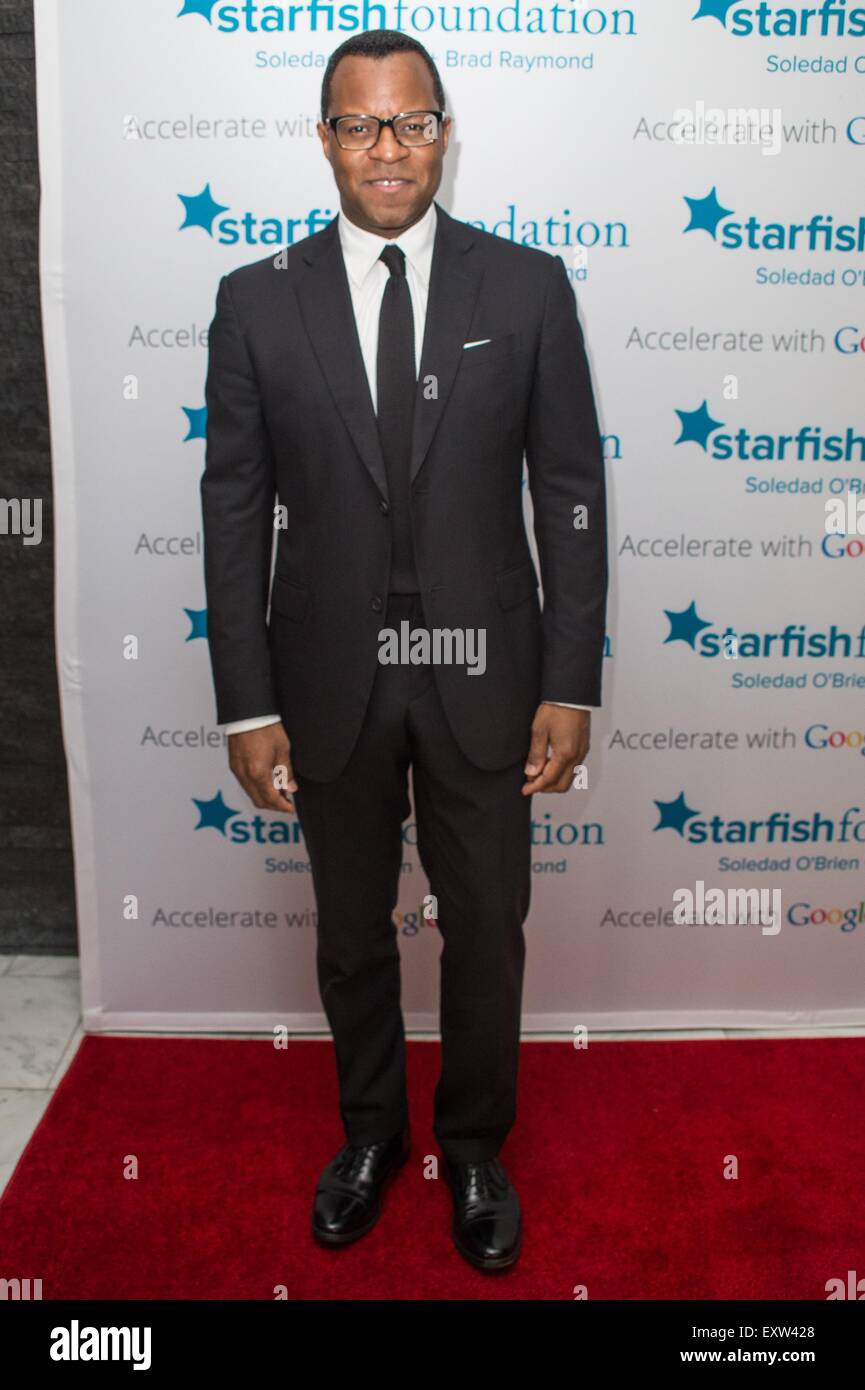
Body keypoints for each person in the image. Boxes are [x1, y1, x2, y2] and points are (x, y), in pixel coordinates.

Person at [201, 28, 608, 1273]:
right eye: (362, 124)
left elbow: (571, 494)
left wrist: (569, 680)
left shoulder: (527, 288)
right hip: (326, 677)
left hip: (491, 671)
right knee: (349, 931)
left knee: (488, 924)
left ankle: (475, 1147)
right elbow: (232, 510)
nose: (389, 148)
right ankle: (371, 1135)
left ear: (444, 132)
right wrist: (244, 706)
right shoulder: (255, 299)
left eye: (411, 122)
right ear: (325, 138)